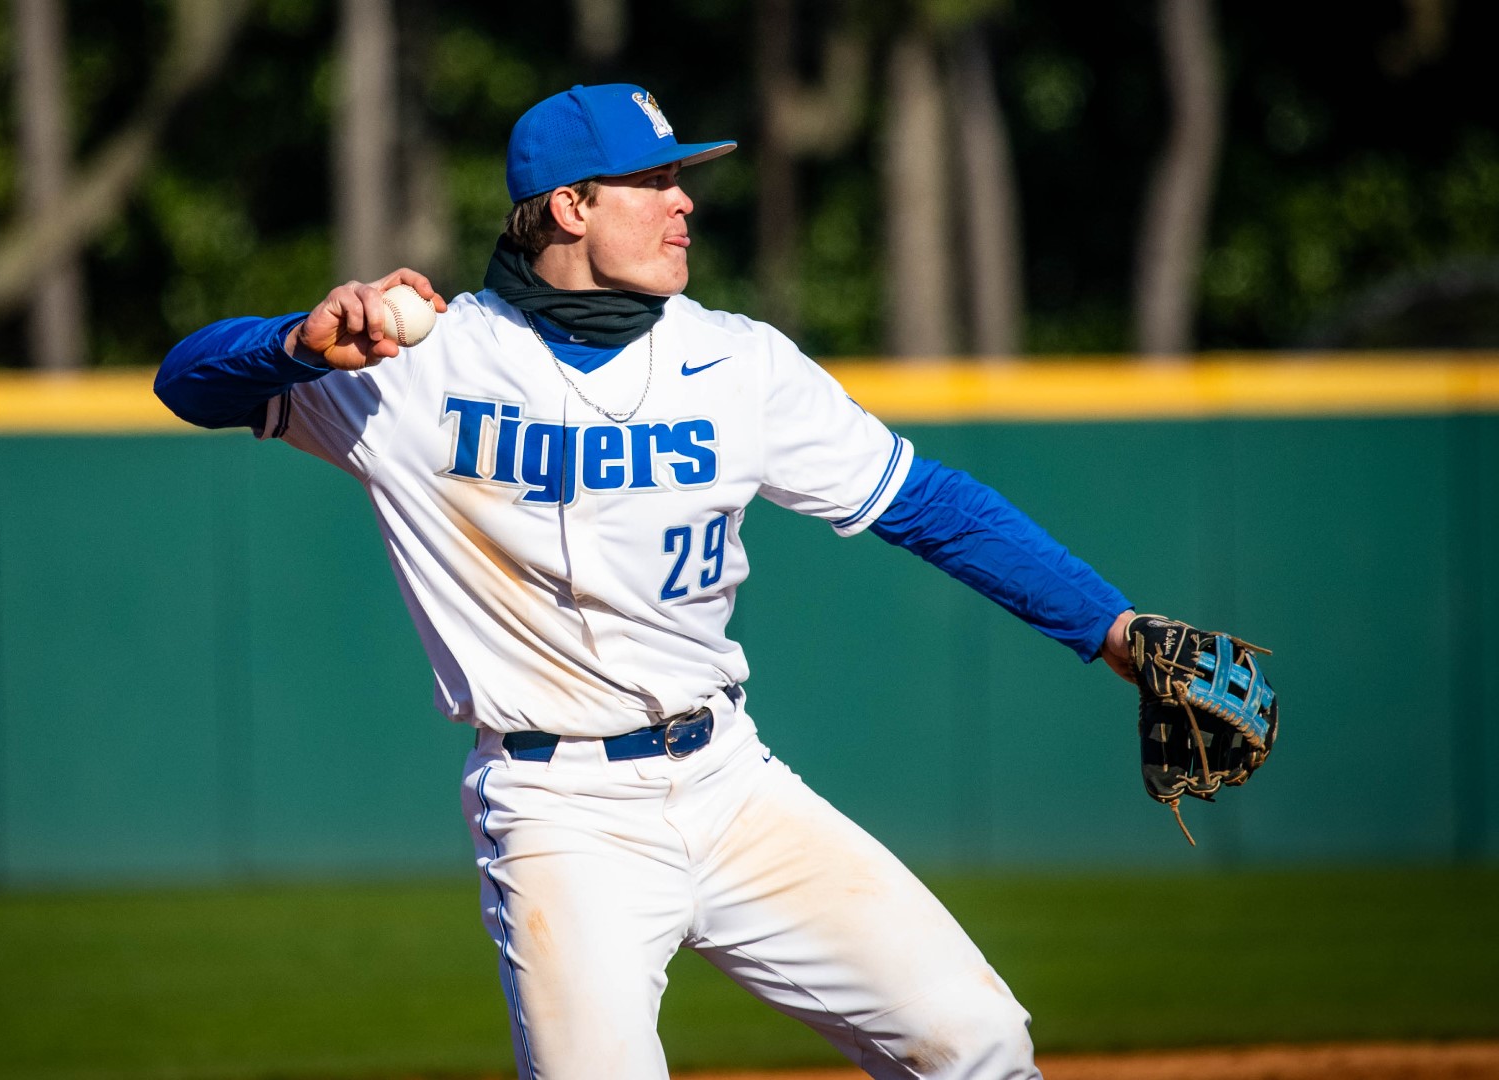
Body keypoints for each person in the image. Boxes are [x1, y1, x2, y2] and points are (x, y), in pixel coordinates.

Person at [156, 83, 1137, 1080]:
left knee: (978, 1040)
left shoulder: (736, 361)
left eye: (682, 181)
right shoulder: (418, 367)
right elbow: (184, 380)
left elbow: (933, 507)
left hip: (731, 784)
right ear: (571, 206)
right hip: (559, 814)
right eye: (656, 180)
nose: (687, 203)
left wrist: (1117, 632)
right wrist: (289, 344)